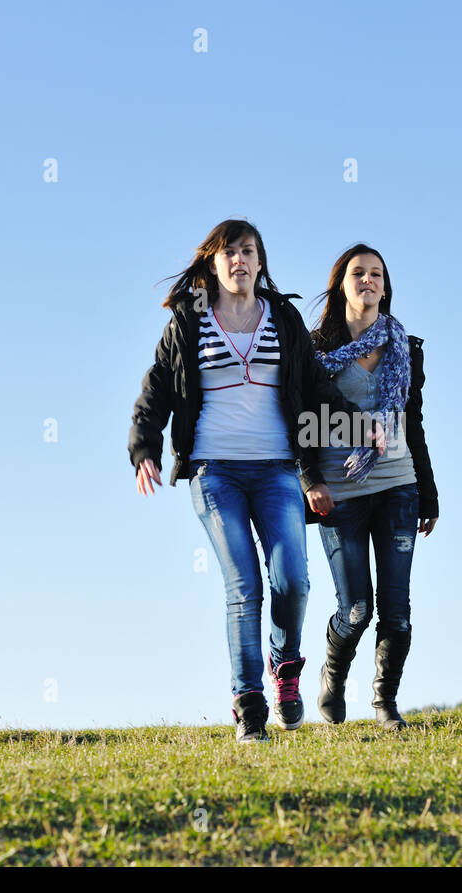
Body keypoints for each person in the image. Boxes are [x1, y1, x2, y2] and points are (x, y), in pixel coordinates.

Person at [128, 219, 372, 743]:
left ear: (260, 262)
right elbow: (156, 389)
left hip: (277, 469)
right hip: (214, 472)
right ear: (213, 264)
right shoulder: (190, 319)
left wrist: (358, 425)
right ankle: (249, 705)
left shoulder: (281, 316)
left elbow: (316, 388)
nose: (240, 260)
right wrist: (143, 446)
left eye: (249, 251)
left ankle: (284, 669)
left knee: (294, 579)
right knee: (245, 584)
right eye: (230, 252)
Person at [307, 244, 439, 731]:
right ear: (341, 282)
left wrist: (428, 493)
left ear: (386, 286)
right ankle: (333, 674)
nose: (368, 281)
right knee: (357, 608)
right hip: (337, 491)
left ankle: (385, 702)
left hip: (397, 485)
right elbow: (296, 419)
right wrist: (310, 479)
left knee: (397, 610)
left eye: (376, 274)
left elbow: (414, 424)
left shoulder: (406, 347)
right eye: (358, 273)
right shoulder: (316, 350)